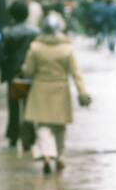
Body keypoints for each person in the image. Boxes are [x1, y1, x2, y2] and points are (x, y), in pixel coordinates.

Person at [21, 10, 90, 175]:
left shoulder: (35, 47)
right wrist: (83, 92)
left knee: (42, 125)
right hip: (61, 89)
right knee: (60, 127)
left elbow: (29, 71)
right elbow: (76, 73)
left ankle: (46, 154)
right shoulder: (67, 49)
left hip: (40, 89)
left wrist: (23, 70)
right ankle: (59, 156)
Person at [0, 0, 38, 149]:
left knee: (13, 106)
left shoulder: (8, 32)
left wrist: (6, 72)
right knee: (29, 105)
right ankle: (29, 137)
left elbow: (1, 55)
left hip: (13, 74)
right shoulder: (35, 32)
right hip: (30, 73)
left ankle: (13, 137)